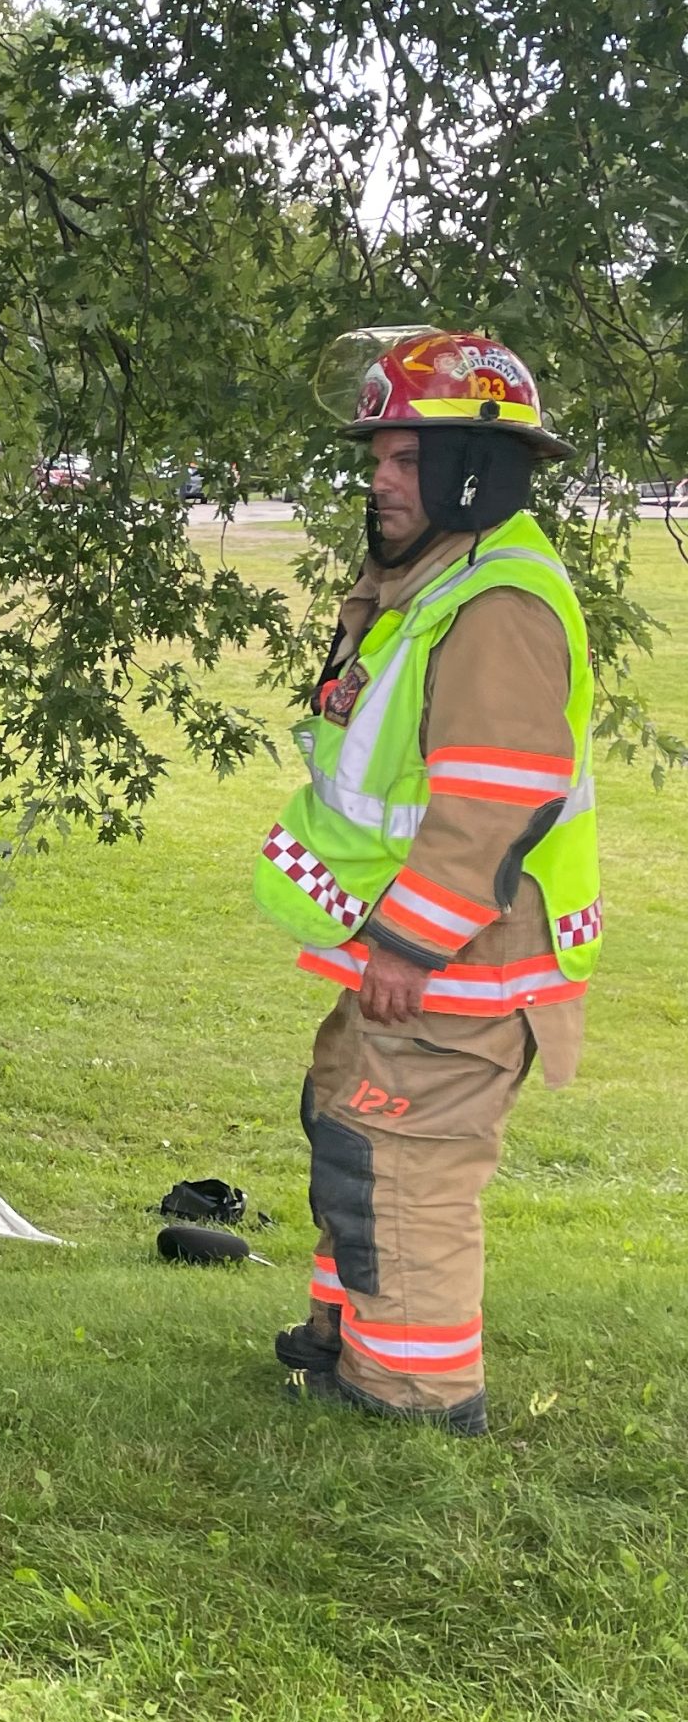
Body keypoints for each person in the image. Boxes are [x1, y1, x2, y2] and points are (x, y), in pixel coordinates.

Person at [252, 329, 601, 1437]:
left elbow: (494, 798)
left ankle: (411, 1399)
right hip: (418, 963)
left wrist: (408, 942)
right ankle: (345, 1343)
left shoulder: (499, 606)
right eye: (377, 455)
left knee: (402, 1169)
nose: (376, 477)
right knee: (351, 1133)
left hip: (455, 972)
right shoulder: (437, 585)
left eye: (402, 458)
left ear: (473, 470)